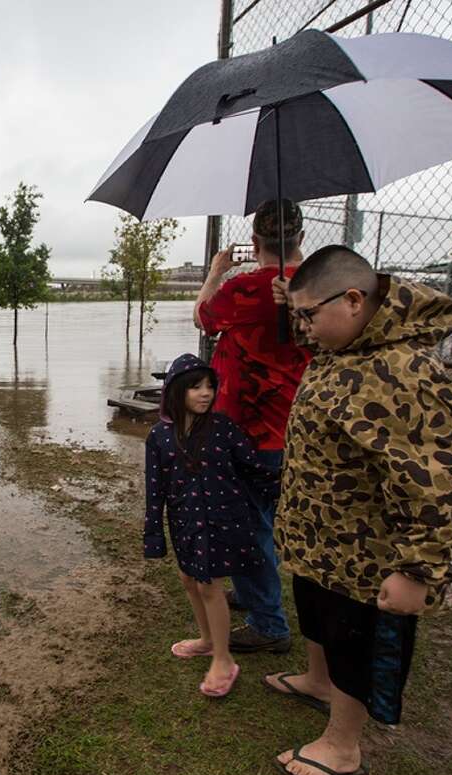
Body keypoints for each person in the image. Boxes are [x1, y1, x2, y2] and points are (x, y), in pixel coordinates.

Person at [266, 245, 452, 775]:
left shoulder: (402, 369)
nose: (304, 328)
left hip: (365, 554)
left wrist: (416, 571)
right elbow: (311, 341)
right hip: (321, 541)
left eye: (309, 315)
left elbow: (435, 483)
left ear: (354, 300)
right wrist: (295, 304)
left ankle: (342, 746)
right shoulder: (345, 345)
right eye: (298, 316)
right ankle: (317, 681)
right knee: (317, 616)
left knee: (353, 639)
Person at [193, 199, 312, 654]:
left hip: (249, 432)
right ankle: (250, 594)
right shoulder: (320, 290)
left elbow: (204, 318)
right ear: (301, 239)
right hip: (297, 427)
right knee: (262, 518)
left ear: (255, 242)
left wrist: (215, 272)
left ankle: (269, 624)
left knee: (247, 526)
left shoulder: (246, 288)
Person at [143, 353, 281, 698]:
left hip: (222, 521)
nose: (205, 393)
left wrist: (288, 488)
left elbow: (254, 470)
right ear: (175, 391)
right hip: (184, 522)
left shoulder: (223, 429)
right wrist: (154, 536)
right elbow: (154, 492)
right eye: (195, 387)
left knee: (209, 586)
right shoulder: (159, 437)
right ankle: (207, 640)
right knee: (188, 579)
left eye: (209, 386)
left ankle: (223, 659)